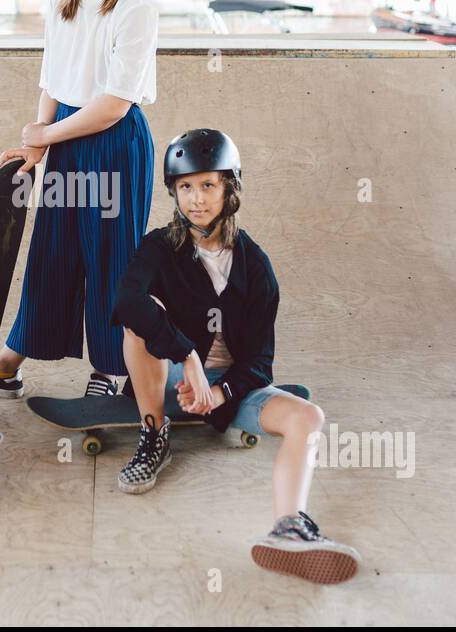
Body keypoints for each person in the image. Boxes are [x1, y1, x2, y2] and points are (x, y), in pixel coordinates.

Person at [110, 129, 360, 585]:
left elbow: (261, 363)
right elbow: (126, 302)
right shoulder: (158, 248)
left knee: (309, 416)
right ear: (174, 192)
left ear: (230, 189)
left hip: (227, 390)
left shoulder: (255, 265)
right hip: (164, 380)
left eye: (208, 185)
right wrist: (185, 355)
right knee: (141, 317)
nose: (197, 199)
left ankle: (290, 527)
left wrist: (221, 392)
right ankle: (154, 434)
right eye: (186, 187)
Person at [0, 0, 158, 402]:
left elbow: (113, 105)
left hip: (113, 143)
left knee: (109, 258)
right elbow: (52, 78)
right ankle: (10, 362)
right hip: (66, 134)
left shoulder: (135, 7)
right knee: (53, 252)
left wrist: (46, 135)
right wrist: (36, 146)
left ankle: (110, 371)